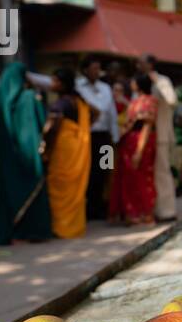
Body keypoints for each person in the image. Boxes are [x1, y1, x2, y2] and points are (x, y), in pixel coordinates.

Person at [0, 62, 53, 246]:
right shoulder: (29, 98)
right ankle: (33, 231)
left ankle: (10, 232)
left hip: (7, 157)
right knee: (34, 189)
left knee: (9, 191)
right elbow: (43, 123)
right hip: (30, 155)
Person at [43, 67, 90, 239]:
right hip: (77, 149)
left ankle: (61, 227)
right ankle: (74, 227)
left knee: (59, 186)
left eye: (55, 81)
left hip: (62, 151)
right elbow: (95, 115)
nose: (52, 84)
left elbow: (51, 130)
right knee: (74, 188)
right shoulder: (79, 101)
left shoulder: (60, 104)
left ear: (62, 84)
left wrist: (45, 150)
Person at [135, 54, 178, 221]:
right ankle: (149, 209)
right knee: (146, 174)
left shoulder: (162, 81)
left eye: (141, 63)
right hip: (142, 136)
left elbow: (172, 100)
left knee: (161, 172)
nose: (138, 65)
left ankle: (166, 211)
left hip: (159, 134)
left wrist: (157, 83)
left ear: (150, 64)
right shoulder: (139, 80)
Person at [110, 74, 157, 224]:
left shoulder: (150, 101)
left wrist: (139, 150)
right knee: (124, 176)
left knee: (141, 176)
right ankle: (127, 212)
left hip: (140, 142)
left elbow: (147, 126)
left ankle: (142, 212)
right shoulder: (132, 102)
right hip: (123, 142)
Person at [75, 56, 118, 221]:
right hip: (87, 137)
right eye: (93, 68)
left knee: (104, 170)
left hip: (104, 137)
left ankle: (102, 206)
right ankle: (89, 208)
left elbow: (111, 113)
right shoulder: (78, 86)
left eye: (98, 68)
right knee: (88, 171)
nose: (96, 72)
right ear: (85, 70)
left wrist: (114, 137)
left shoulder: (105, 87)